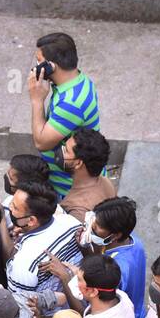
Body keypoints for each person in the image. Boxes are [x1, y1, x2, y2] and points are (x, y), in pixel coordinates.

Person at [28, 32, 101, 198]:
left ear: (51, 66)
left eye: (38, 60)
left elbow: (41, 142)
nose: (35, 66)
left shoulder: (71, 103)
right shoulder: (80, 81)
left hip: (68, 187)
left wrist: (37, 100)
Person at [5, 180, 83, 313]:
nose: (10, 208)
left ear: (31, 220)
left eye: (15, 207)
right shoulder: (73, 223)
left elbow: (21, 306)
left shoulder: (24, 264)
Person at [81, 196, 146, 318]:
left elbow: (96, 303)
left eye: (97, 227)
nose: (92, 227)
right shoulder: (134, 242)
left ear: (115, 235)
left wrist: (65, 278)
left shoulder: (118, 268)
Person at [57, 127, 115, 222]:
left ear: (78, 163)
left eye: (66, 151)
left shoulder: (77, 211)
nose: (61, 152)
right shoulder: (105, 181)